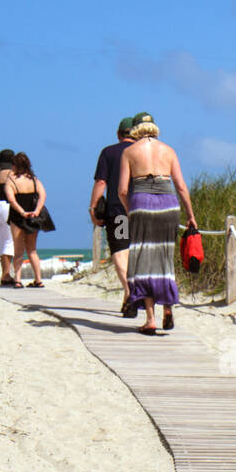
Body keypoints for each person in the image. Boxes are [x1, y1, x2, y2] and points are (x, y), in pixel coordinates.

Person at [118, 112, 195, 334]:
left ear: (135, 130)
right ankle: (168, 307)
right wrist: (190, 214)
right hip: (168, 203)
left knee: (143, 258)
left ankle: (150, 318)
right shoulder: (169, 151)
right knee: (164, 256)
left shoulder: (129, 152)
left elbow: (122, 190)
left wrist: (130, 210)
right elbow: (181, 186)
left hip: (142, 202)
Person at [90, 117, 135, 316]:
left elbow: (101, 183)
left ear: (118, 134)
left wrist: (93, 207)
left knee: (119, 250)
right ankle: (129, 297)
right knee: (135, 254)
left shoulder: (109, 153)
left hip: (118, 210)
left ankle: (130, 291)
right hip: (143, 210)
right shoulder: (143, 152)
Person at [4, 152, 46, 288]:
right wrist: (37, 211)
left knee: (18, 250)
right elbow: (43, 195)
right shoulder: (34, 180)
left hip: (17, 217)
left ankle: (17, 279)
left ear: (14, 165)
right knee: (32, 250)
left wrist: (22, 212)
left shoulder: (11, 180)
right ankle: (38, 279)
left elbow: (11, 199)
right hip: (33, 217)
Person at [0, 149, 16, 285]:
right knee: (10, 240)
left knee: (1, 241)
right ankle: (6, 274)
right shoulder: (12, 174)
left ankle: (5, 273)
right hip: (7, 206)